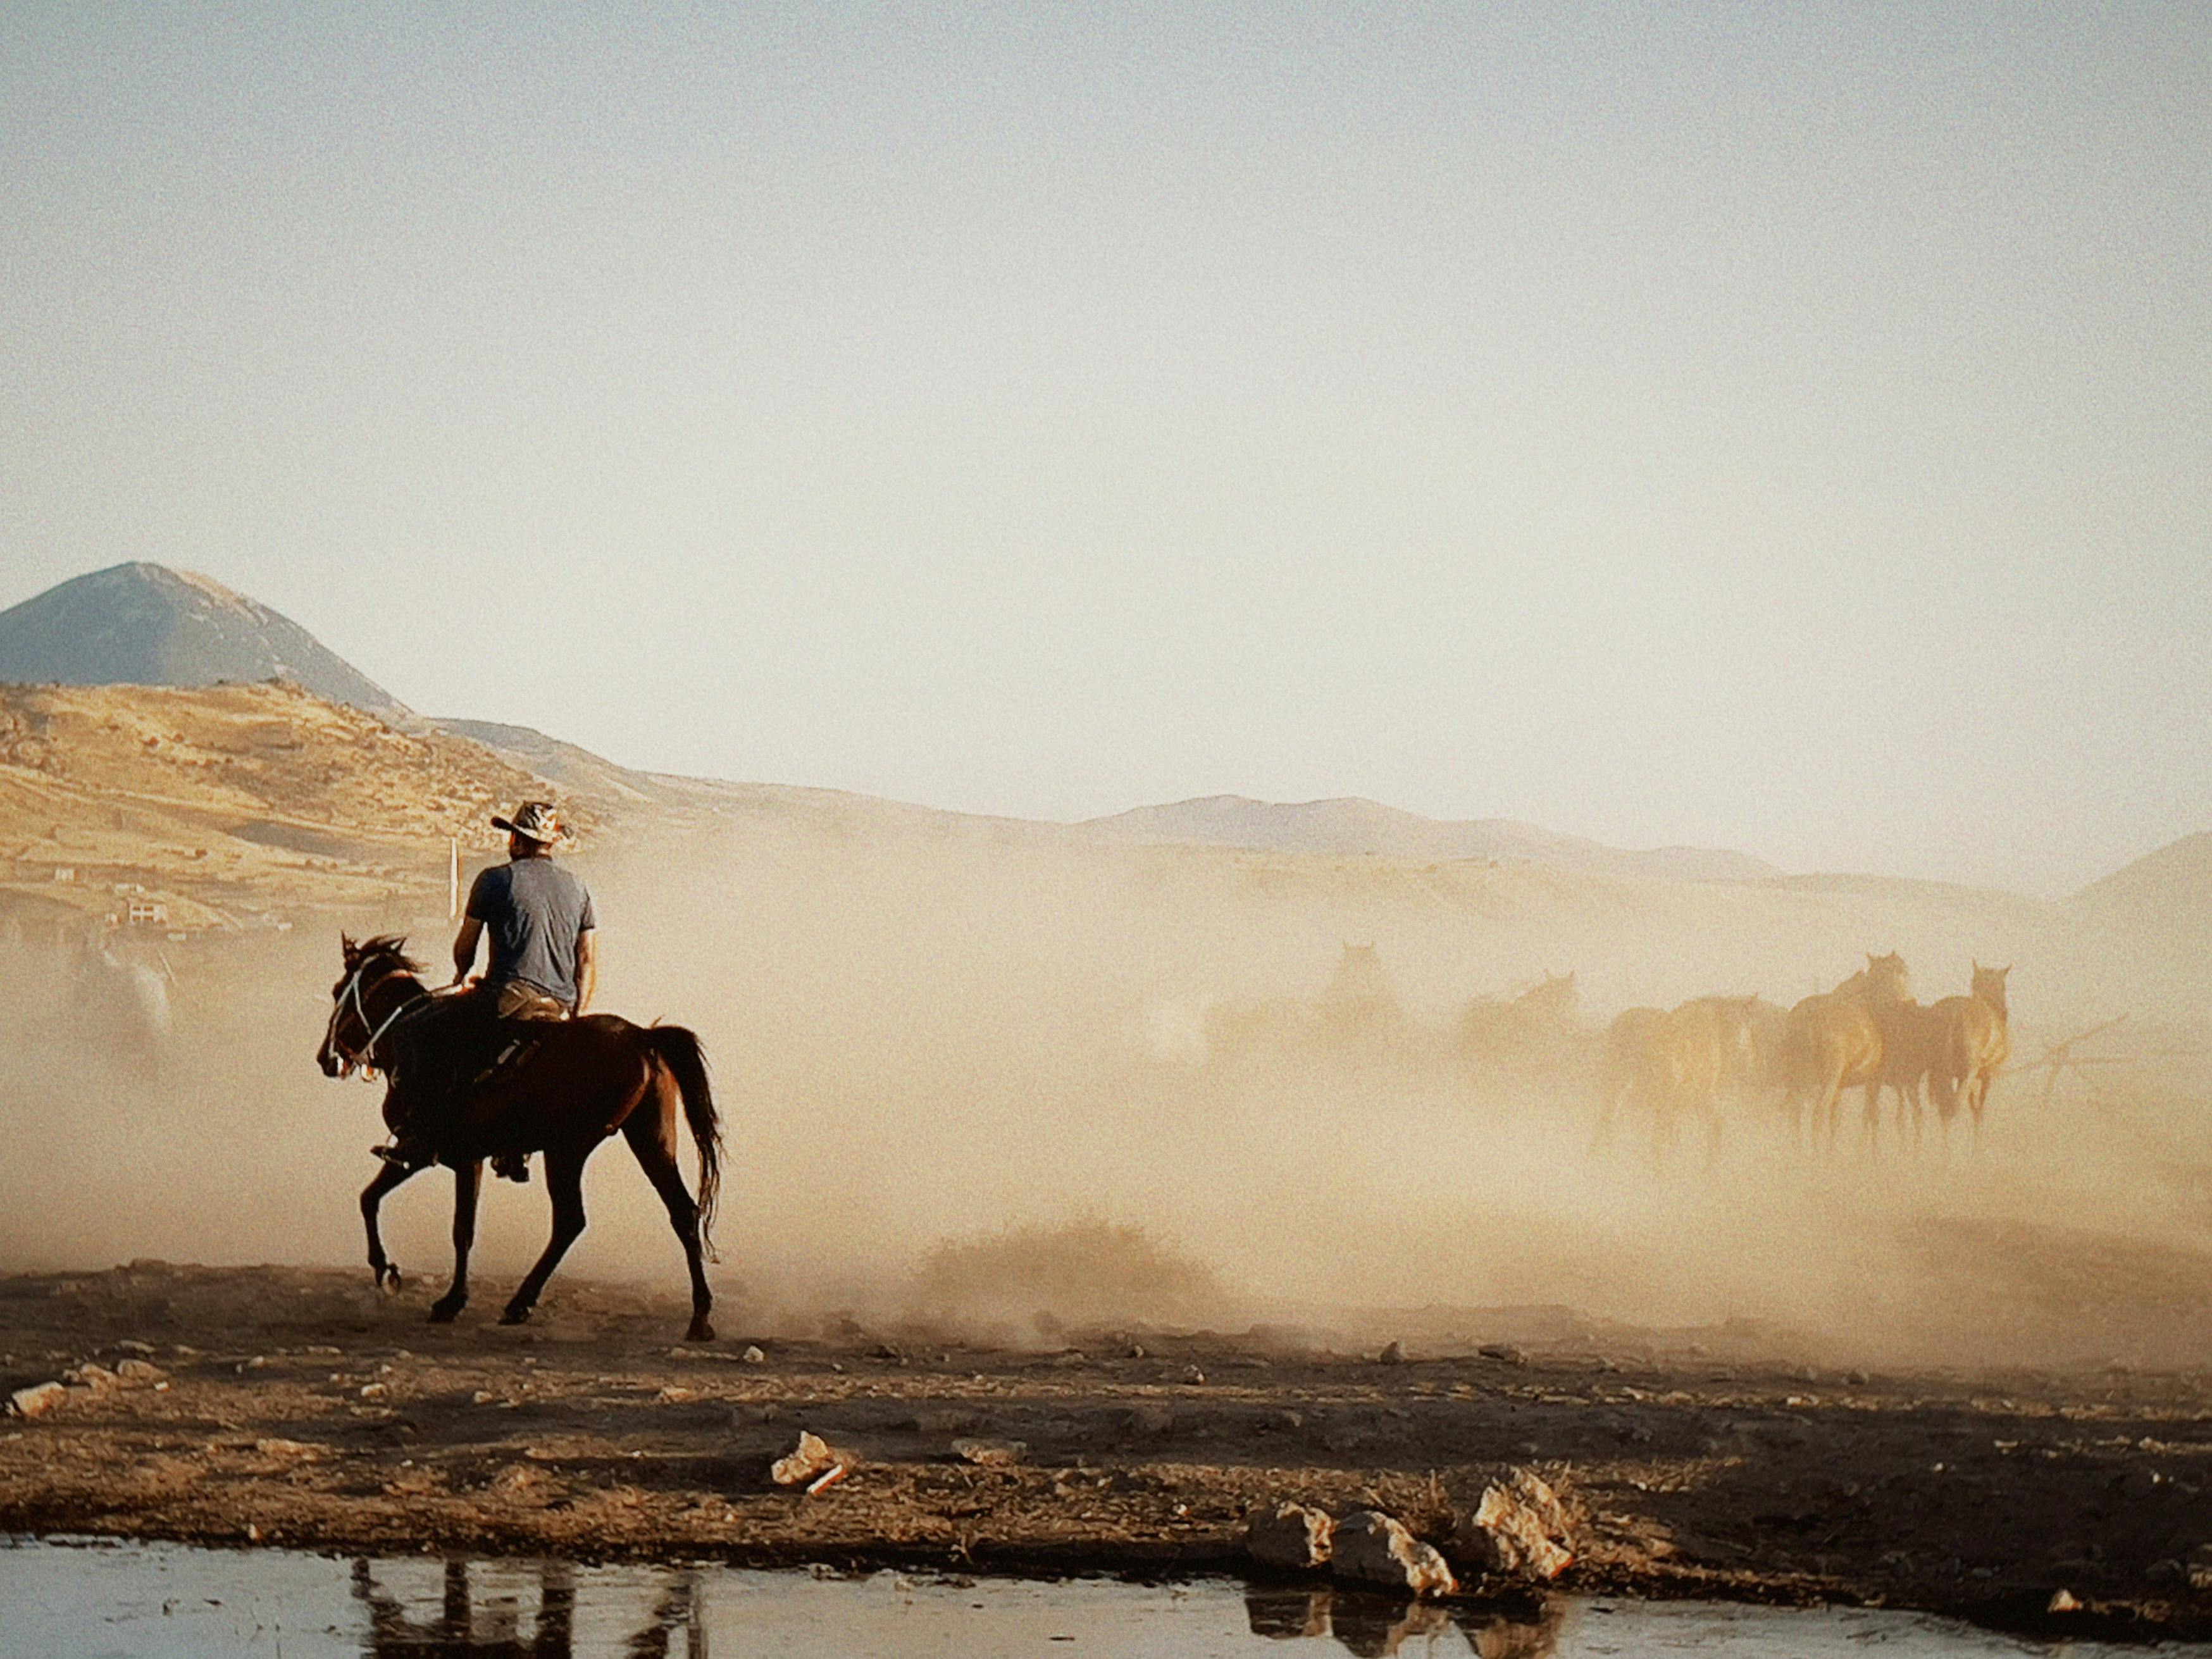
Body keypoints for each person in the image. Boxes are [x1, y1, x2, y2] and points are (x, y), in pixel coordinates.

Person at [376, 800, 596, 1179]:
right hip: (559, 1006)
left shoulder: (495, 880)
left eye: (511, 834)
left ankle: (419, 1138)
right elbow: (588, 962)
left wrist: (462, 975)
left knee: (413, 1031)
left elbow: (466, 945)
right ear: (549, 843)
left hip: (507, 1000)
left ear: (518, 840)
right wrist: (575, 1013)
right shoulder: (578, 888)